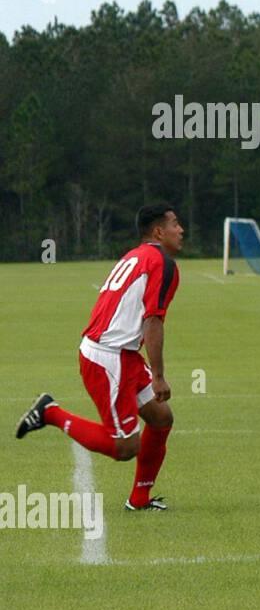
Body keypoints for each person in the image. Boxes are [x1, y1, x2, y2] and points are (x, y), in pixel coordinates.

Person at [15, 203, 184, 510]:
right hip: (108, 357)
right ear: (159, 231)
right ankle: (50, 412)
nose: (181, 230)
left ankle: (139, 499)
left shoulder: (136, 255)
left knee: (161, 419)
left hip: (123, 353)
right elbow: (153, 321)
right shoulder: (162, 263)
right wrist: (158, 376)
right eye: (175, 224)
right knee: (124, 446)